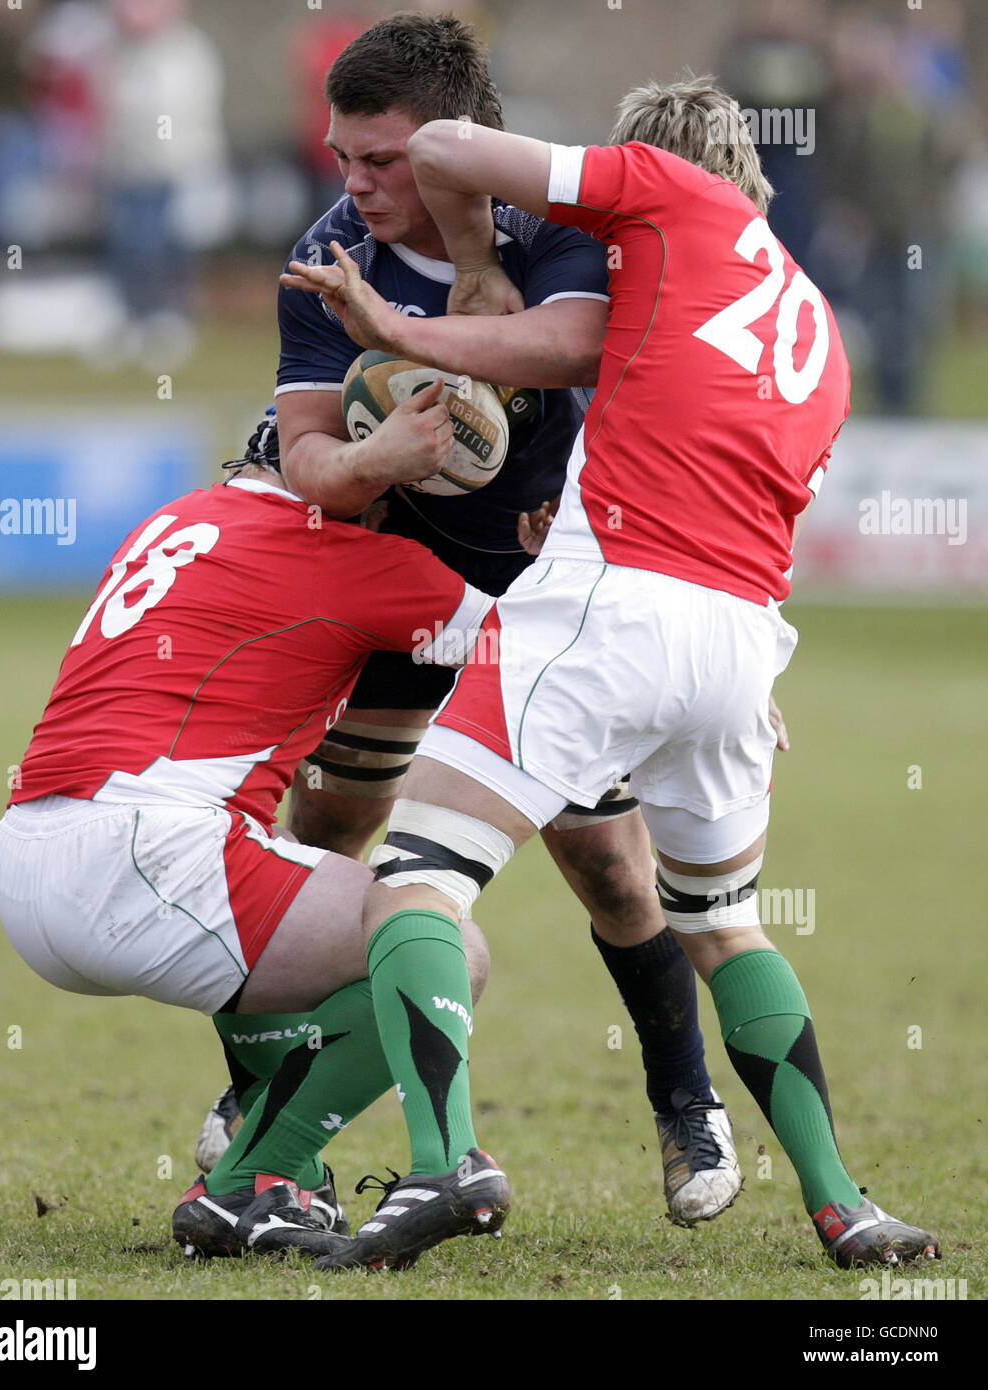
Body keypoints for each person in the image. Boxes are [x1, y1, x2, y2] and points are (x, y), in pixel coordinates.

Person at [284, 75, 941, 1274]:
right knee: (725, 926)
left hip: (606, 606)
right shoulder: (816, 326)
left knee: (417, 874)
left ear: (650, 167)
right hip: (738, 645)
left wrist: (432, 301)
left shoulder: (659, 193)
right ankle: (844, 1204)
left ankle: (442, 1164)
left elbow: (440, 141)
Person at [234, 9, 744, 1229]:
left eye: (382, 161)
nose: (352, 187)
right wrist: (366, 467)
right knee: (329, 832)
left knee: (612, 869)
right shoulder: (323, 255)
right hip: (403, 578)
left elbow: (582, 358)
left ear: (465, 144)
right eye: (340, 156)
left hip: (544, 598)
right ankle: (261, 1102)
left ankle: (685, 1103)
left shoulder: (571, 230)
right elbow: (300, 451)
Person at [0, 415, 496, 1261]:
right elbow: (547, 662)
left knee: (301, 896)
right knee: (444, 944)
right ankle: (254, 1179)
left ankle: (267, 1174)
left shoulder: (181, 514)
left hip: (31, 856)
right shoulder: (353, 553)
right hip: (146, 854)